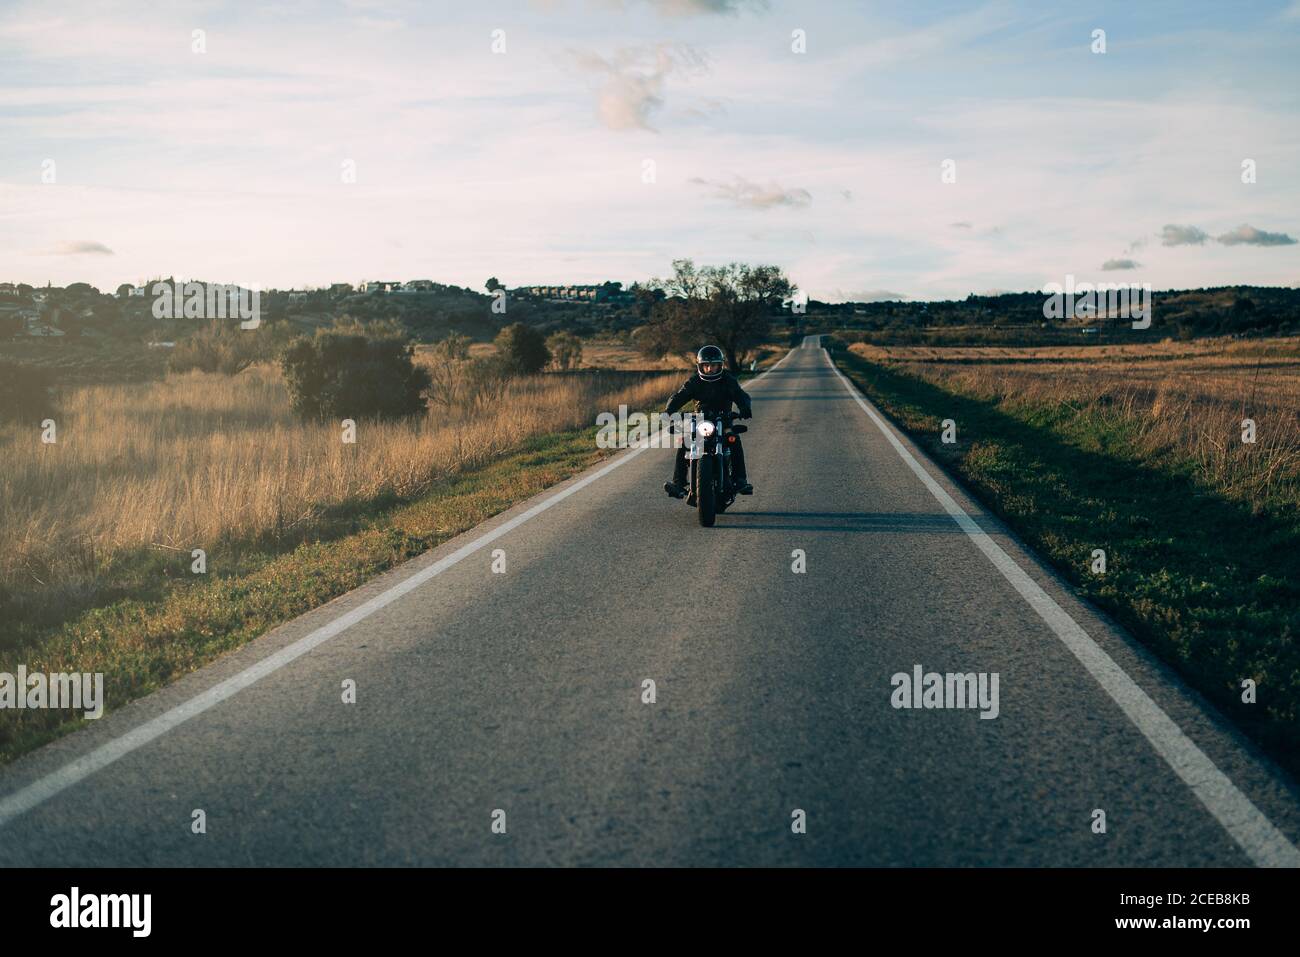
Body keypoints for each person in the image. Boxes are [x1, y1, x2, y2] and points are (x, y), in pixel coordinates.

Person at [663, 344, 753, 500]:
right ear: (701, 366)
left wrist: (745, 408)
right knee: (684, 442)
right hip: (700, 420)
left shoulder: (728, 380)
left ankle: (740, 479)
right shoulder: (694, 381)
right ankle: (678, 483)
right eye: (707, 366)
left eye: (714, 365)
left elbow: (740, 395)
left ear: (720, 365)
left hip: (723, 420)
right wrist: (668, 411)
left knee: (733, 439)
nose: (710, 369)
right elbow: (680, 396)